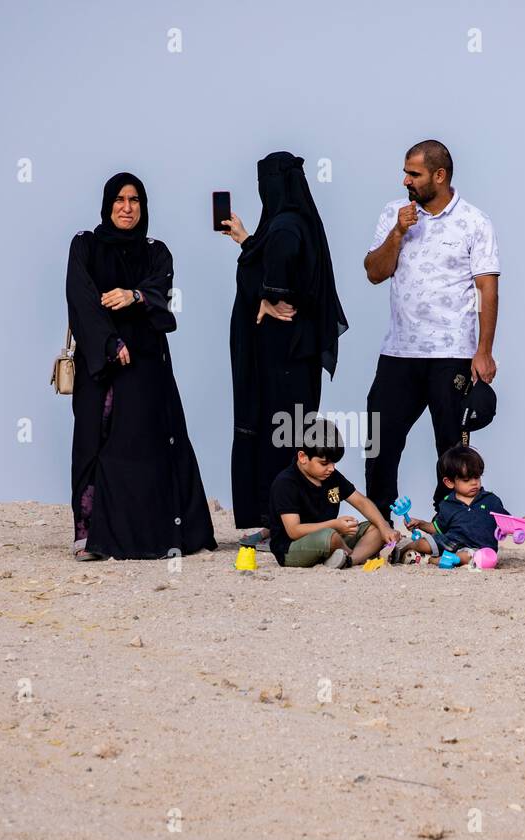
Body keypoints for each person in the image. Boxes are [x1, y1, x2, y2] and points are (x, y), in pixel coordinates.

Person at [65, 172, 216, 560]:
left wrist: (133, 295)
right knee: (92, 444)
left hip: (146, 366)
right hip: (100, 364)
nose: (127, 208)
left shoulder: (155, 251)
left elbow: (159, 291)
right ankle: (90, 536)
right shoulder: (85, 246)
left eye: (135, 201)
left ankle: (152, 535)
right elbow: (80, 297)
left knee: (147, 448)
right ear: (107, 204)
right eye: (119, 200)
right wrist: (110, 342)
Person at [362, 139, 501, 513]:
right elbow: (375, 273)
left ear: (439, 176)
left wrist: (484, 351)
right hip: (399, 351)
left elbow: (487, 288)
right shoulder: (395, 213)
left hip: (452, 353)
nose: (405, 180)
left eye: (414, 174)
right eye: (405, 172)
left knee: (451, 445)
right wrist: (397, 234)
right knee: (380, 437)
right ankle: (379, 520)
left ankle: (450, 520)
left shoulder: (474, 221)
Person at [222, 151, 348, 542]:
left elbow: (278, 271)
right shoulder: (297, 222)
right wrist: (246, 240)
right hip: (297, 357)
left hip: (279, 358)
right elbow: (273, 259)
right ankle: (284, 522)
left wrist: (268, 294)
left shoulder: (285, 228)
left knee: (275, 435)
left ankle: (278, 524)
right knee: (292, 434)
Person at [267, 419, 398, 569]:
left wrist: (384, 527)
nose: (331, 468)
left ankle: (350, 560)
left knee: (377, 526)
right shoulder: (286, 483)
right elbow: (294, 531)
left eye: (334, 463)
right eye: (324, 463)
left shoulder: (331, 477)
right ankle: (358, 555)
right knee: (330, 537)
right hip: (292, 548)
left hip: (333, 537)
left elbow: (361, 502)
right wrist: (334, 525)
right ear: (303, 457)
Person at [399, 446, 516, 566]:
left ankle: (431, 560)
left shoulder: (491, 500)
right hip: (450, 541)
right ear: (449, 482)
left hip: (477, 548)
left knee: (471, 558)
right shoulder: (448, 504)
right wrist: (420, 524)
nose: (474, 482)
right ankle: (401, 551)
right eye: (466, 480)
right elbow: (438, 528)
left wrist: (523, 523)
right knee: (423, 543)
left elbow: (508, 522)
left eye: (476, 477)